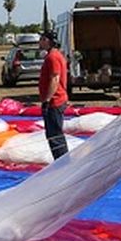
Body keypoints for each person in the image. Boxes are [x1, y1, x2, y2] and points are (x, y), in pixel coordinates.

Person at [37, 31, 70, 160]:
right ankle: (62, 161)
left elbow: (54, 79)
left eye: (42, 39)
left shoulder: (53, 57)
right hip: (55, 100)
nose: (39, 42)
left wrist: (47, 99)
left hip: (55, 101)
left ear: (47, 41)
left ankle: (62, 162)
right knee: (53, 134)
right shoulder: (53, 56)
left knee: (55, 135)